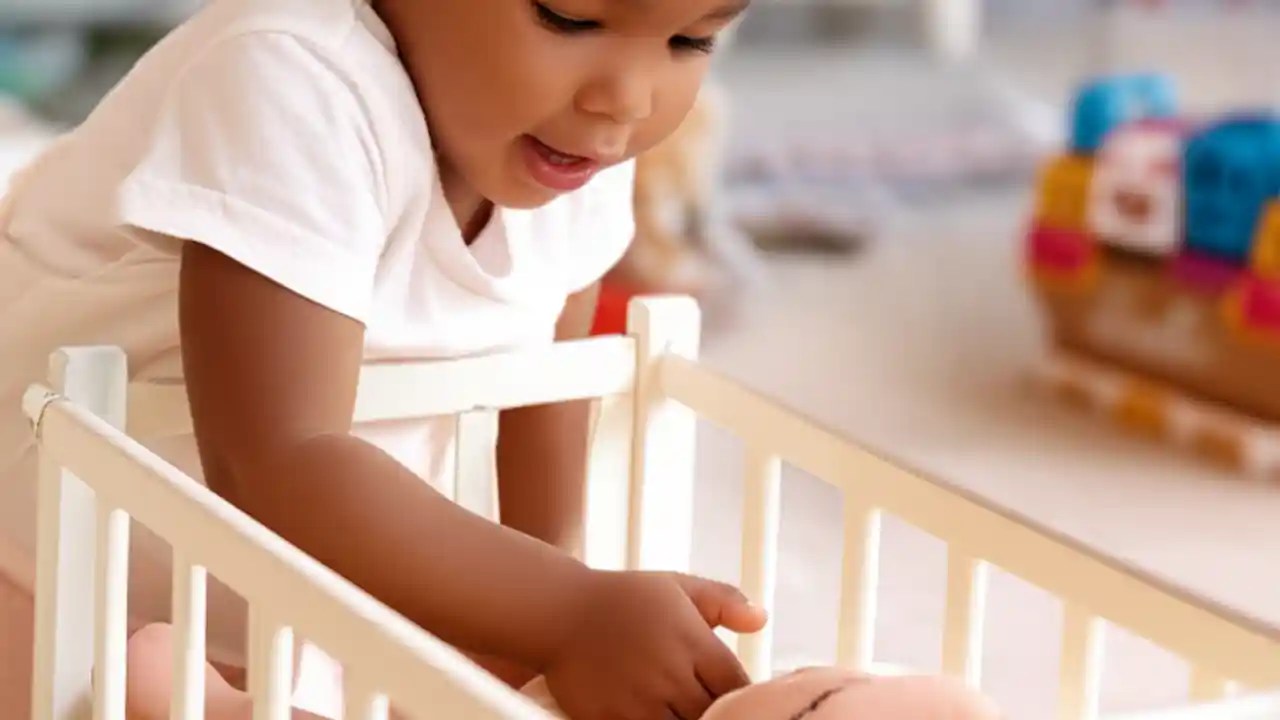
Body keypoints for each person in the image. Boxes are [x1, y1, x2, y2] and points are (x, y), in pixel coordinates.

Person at [0, 0, 765, 718]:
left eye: (689, 40)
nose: (627, 100)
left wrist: (528, 629)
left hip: (296, 583)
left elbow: (541, 396)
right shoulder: (291, 75)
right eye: (568, 16)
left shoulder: (573, 151)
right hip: (47, 554)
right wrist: (566, 613)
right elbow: (277, 458)